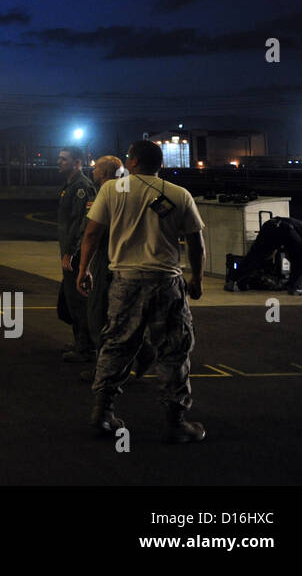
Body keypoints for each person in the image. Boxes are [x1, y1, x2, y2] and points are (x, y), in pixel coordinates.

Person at [78, 139, 207, 444]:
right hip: (166, 282)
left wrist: (83, 269)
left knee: (115, 346)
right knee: (174, 350)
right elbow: (197, 245)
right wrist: (197, 279)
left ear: (132, 161)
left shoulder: (112, 190)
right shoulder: (179, 194)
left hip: (125, 281)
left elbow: (92, 233)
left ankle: (102, 413)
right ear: (160, 164)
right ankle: (175, 422)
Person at [78, 155, 154, 382]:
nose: (92, 171)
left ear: (102, 173)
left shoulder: (107, 192)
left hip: (106, 258)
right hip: (130, 259)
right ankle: (142, 350)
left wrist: (84, 267)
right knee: (124, 315)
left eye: (95, 169)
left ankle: (106, 369)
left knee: (98, 315)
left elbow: (91, 232)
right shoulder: (132, 191)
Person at [55, 146, 96, 363]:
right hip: (68, 251)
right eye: (59, 158)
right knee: (70, 301)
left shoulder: (82, 187)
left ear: (77, 162)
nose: (59, 161)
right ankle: (81, 341)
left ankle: (86, 348)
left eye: (64, 159)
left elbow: (84, 223)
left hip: (76, 254)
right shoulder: (69, 185)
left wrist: (71, 253)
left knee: (79, 302)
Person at [226, 216, 302, 294]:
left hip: (270, 224)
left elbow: (286, 252)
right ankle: (295, 288)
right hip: (286, 228)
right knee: (301, 259)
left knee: (253, 256)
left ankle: (234, 281)